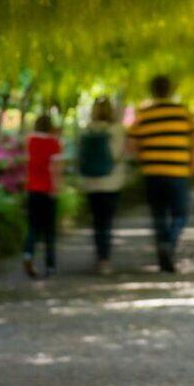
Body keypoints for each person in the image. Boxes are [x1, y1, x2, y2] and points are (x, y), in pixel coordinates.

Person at [127, 75, 194, 273]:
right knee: (180, 214)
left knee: (158, 214)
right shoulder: (182, 112)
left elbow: (131, 144)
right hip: (178, 171)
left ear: (152, 91)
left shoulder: (143, 114)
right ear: (170, 90)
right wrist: (192, 164)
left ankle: (164, 251)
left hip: (152, 172)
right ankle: (169, 242)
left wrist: (143, 159)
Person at [78, 97, 128, 274]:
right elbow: (118, 154)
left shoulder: (87, 130)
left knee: (97, 221)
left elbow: (80, 157)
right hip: (112, 183)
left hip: (91, 183)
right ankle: (104, 259)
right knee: (106, 222)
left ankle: (101, 257)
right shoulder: (116, 130)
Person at [22, 114, 64, 279]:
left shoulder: (30, 141)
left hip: (32, 189)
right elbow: (56, 169)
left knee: (33, 226)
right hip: (48, 191)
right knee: (49, 230)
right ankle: (50, 265)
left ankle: (27, 254)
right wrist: (57, 187)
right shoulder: (54, 143)